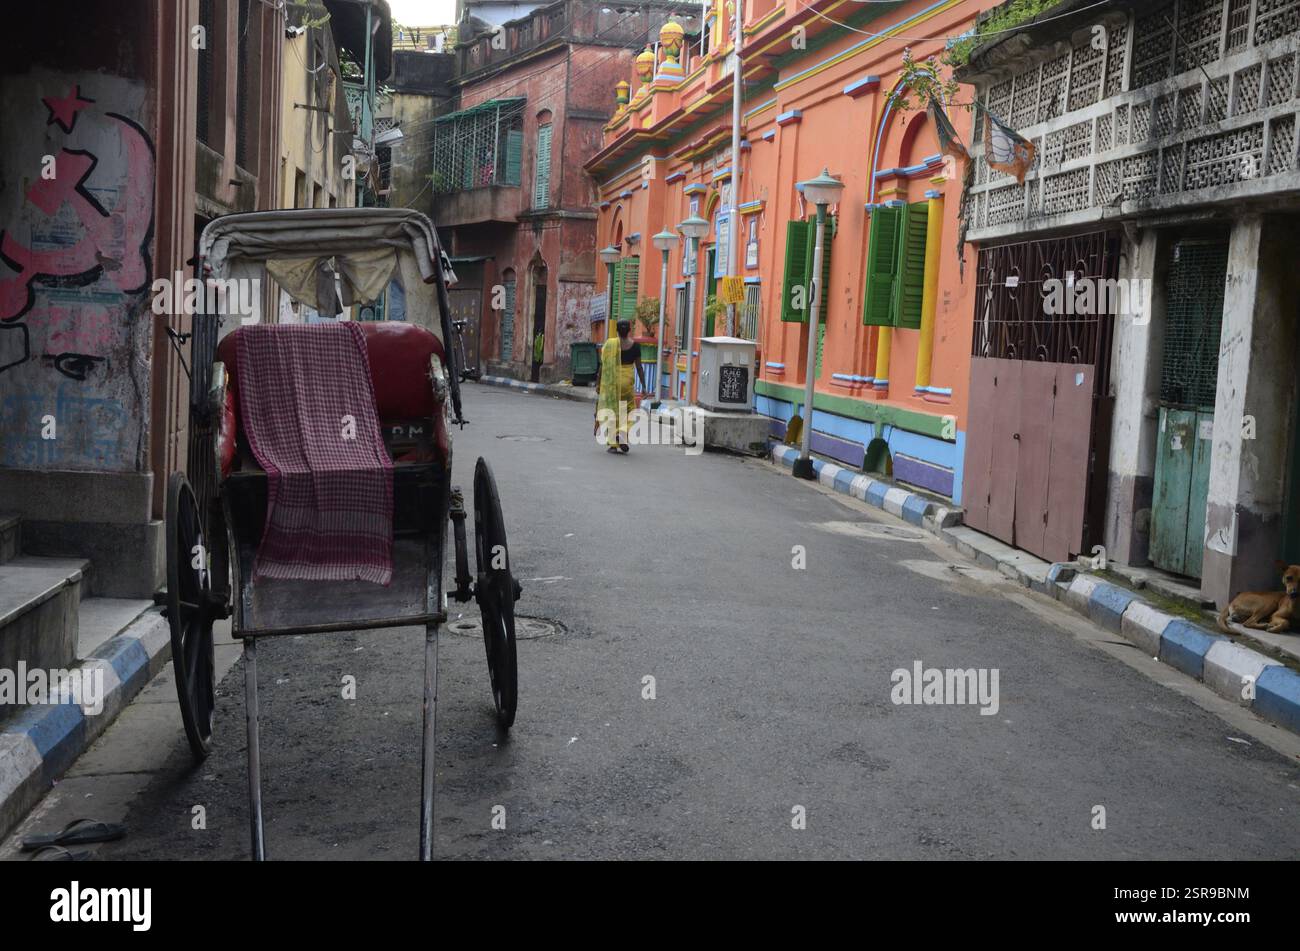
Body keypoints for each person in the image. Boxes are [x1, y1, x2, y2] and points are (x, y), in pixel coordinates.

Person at [595, 319, 644, 453]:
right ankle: (622, 433)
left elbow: (603, 366)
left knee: (613, 410)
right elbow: (639, 367)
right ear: (629, 330)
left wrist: (599, 383)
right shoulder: (635, 346)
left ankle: (613, 444)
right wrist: (644, 386)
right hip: (627, 383)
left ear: (616, 330)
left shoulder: (610, 344)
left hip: (613, 381)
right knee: (628, 410)